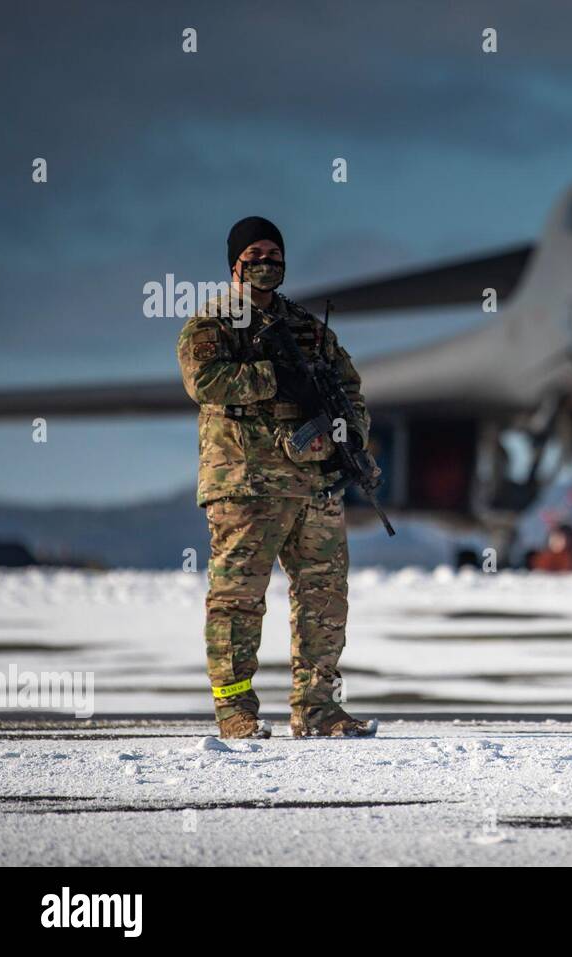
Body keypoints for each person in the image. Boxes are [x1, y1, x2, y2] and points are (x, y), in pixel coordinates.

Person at [176, 216, 377, 739]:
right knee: (238, 598)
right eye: (256, 253)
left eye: (274, 253)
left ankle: (317, 709)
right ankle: (233, 709)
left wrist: (350, 433)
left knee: (325, 596)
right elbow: (205, 381)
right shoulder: (213, 324)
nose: (267, 262)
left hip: (313, 484)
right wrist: (272, 376)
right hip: (246, 484)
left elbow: (348, 388)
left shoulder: (309, 329)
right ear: (235, 261)